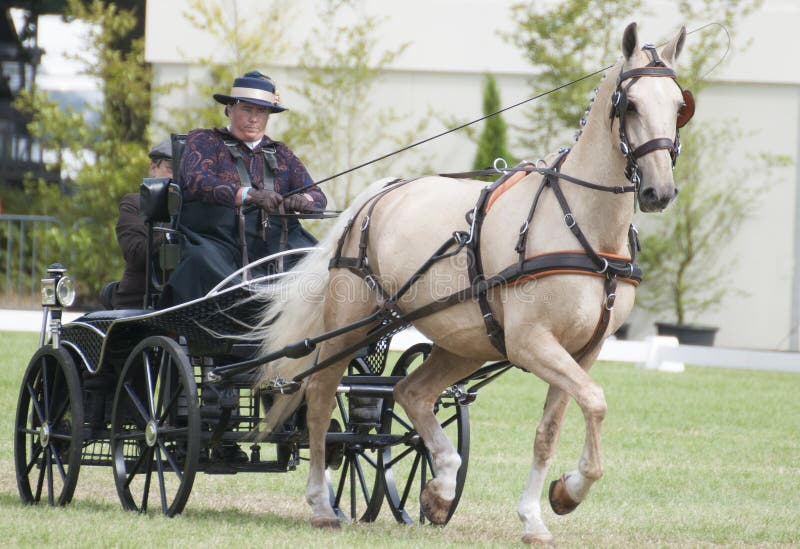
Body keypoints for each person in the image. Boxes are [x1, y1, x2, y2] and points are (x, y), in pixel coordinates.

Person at [157, 71, 326, 308]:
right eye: (247, 109)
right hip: (218, 242)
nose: (254, 118)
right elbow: (199, 181)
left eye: (262, 111)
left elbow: (318, 196)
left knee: (323, 264)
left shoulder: (281, 153)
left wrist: (303, 199)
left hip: (277, 244)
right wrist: (250, 195)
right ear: (229, 108)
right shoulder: (204, 141)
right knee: (200, 261)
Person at [109, 138, 173, 309]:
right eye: (171, 169)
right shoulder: (135, 204)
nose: (177, 177)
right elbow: (136, 253)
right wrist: (172, 232)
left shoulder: (196, 207)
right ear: (153, 168)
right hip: (139, 300)